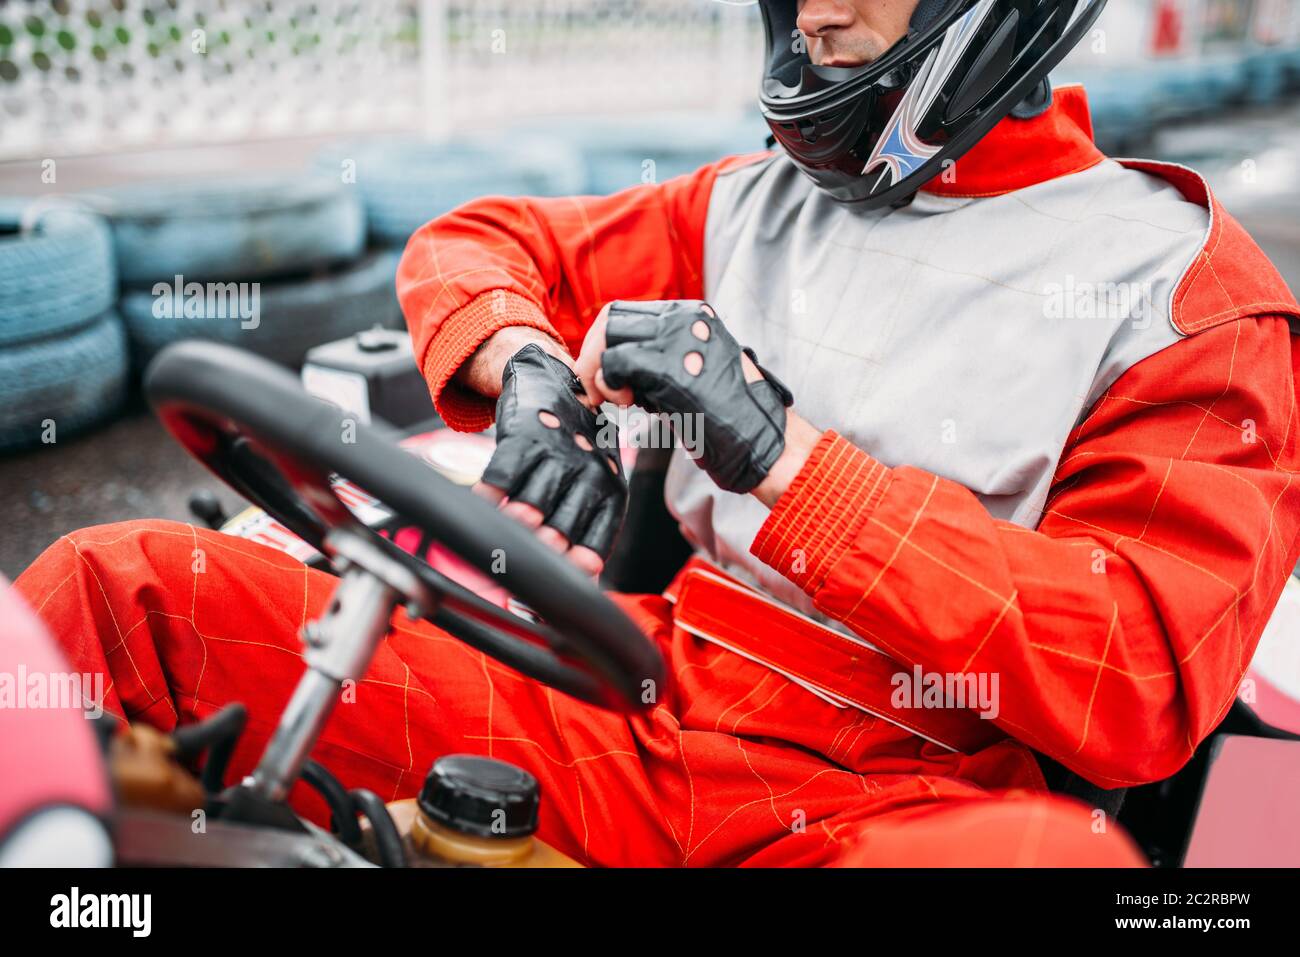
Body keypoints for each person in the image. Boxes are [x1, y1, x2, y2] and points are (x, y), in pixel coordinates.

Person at [16, 0, 1300, 866]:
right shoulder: (746, 203)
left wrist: (785, 459)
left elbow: (1134, 672)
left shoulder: (1180, 296)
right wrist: (522, 367)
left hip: (891, 790)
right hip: (628, 692)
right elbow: (478, 243)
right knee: (118, 589)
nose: (812, 18)